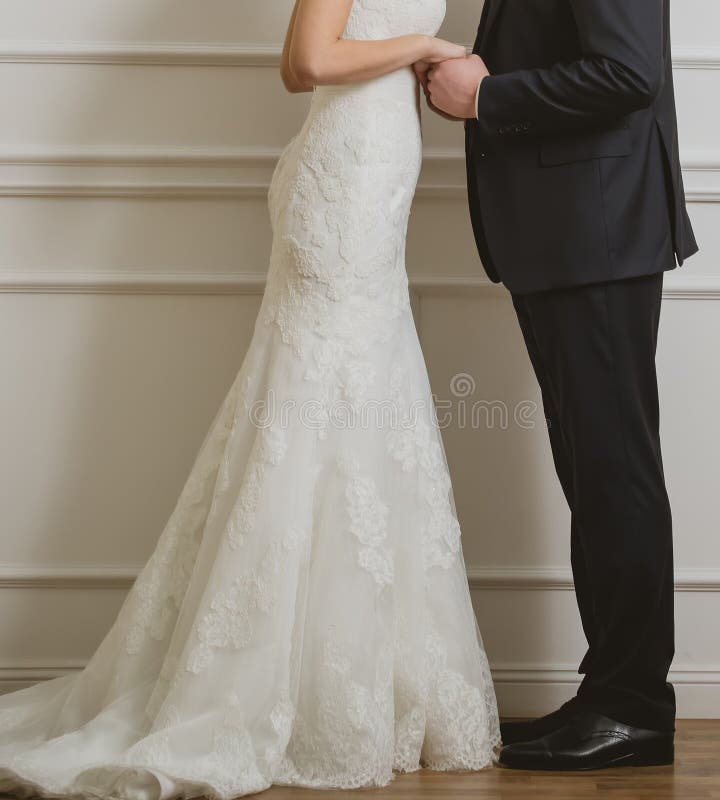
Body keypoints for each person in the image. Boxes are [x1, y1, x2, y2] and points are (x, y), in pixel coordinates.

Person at [0, 2, 501, 797]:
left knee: (367, 410)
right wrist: (424, 44)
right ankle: (263, 688)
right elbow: (306, 61)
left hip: (380, 178)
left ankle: (355, 688)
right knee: (307, 413)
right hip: (342, 184)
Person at [420, 0, 699, 772]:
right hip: (572, 231)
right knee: (594, 470)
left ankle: (633, 707)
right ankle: (611, 690)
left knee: (614, 470)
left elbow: (627, 72)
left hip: (596, 228)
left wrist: (486, 96)